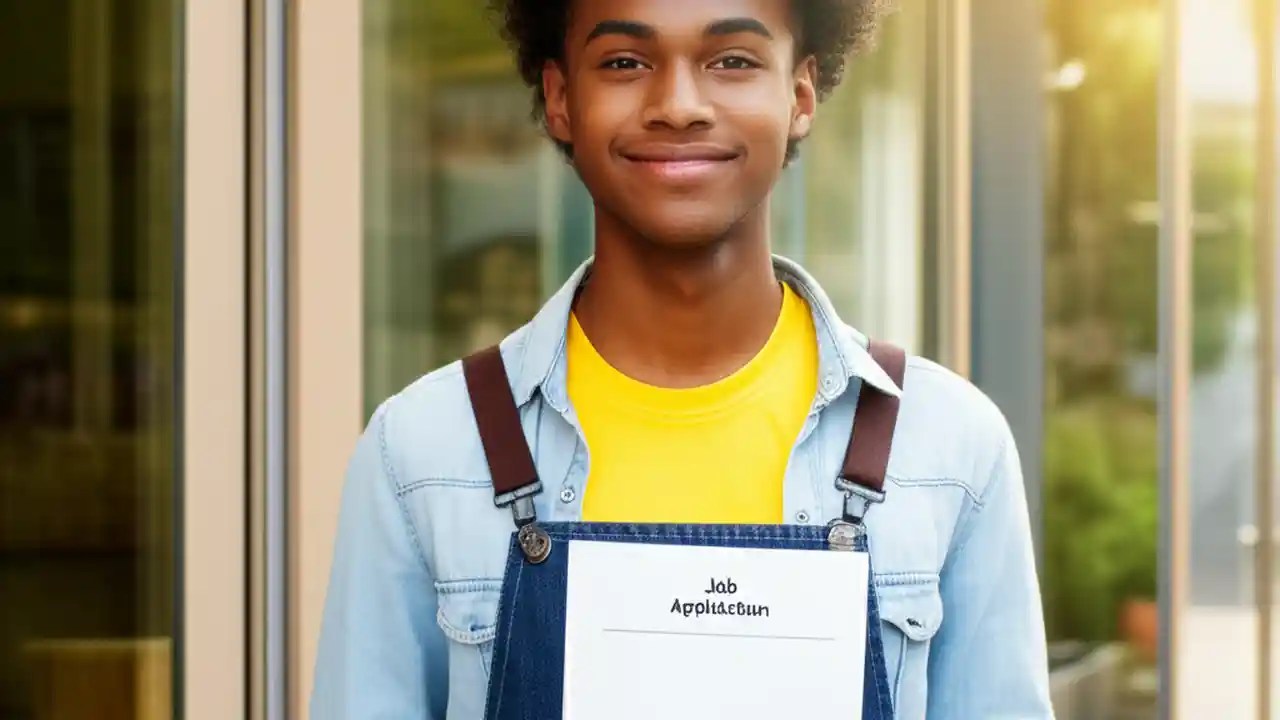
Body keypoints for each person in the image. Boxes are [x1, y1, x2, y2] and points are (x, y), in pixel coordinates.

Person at [312, 0, 1053, 718]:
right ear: (562, 97)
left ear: (800, 95)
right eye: (626, 61)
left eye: (732, 60)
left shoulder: (951, 447)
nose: (678, 103)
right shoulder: (421, 453)